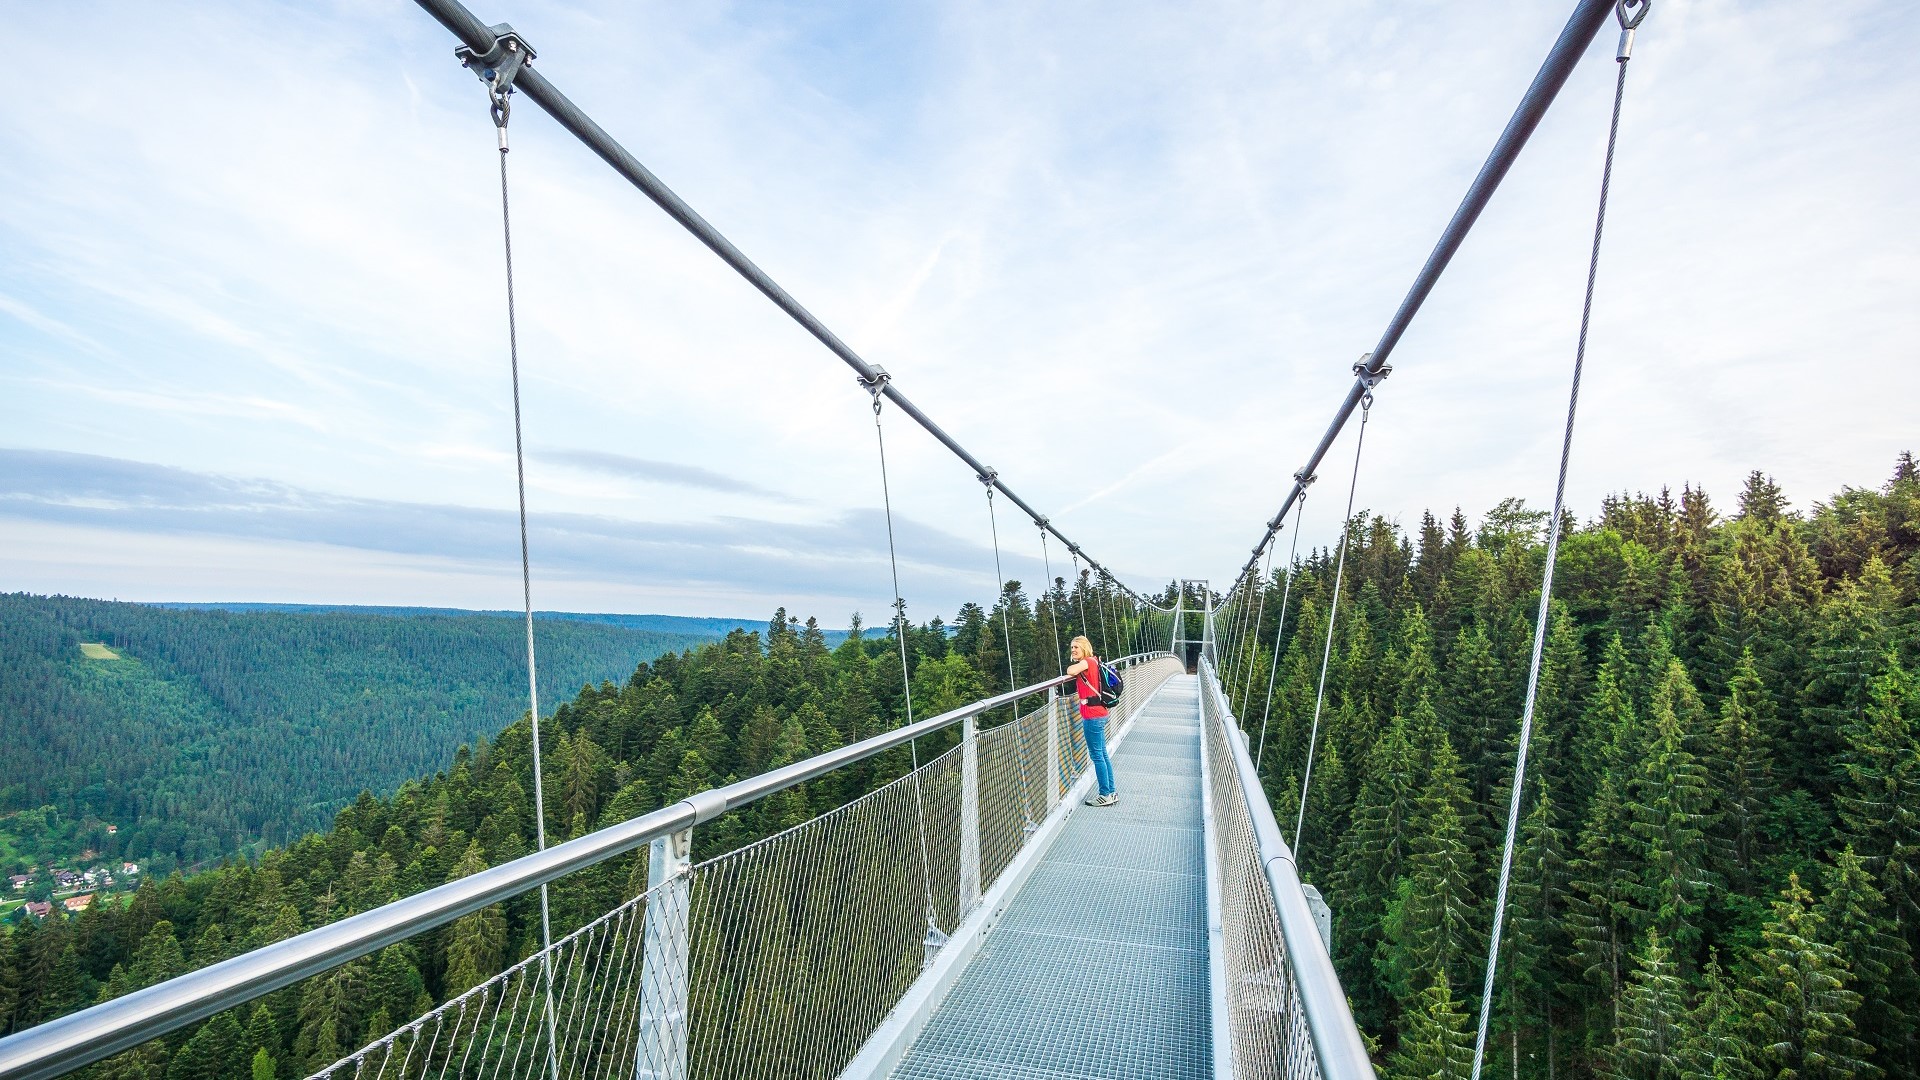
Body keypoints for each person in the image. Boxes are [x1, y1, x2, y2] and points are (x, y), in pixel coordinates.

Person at [1067, 635, 1118, 806]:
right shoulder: (1094, 661)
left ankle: (1105, 794)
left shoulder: (1087, 662)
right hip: (1100, 713)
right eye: (1072, 647)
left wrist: (1074, 664)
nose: (1073, 650)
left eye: (1076, 647)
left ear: (1084, 648)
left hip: (1092, 716)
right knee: (1102, 754)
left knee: (1097, 756)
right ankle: (1111, 792)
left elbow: (1070, 671)